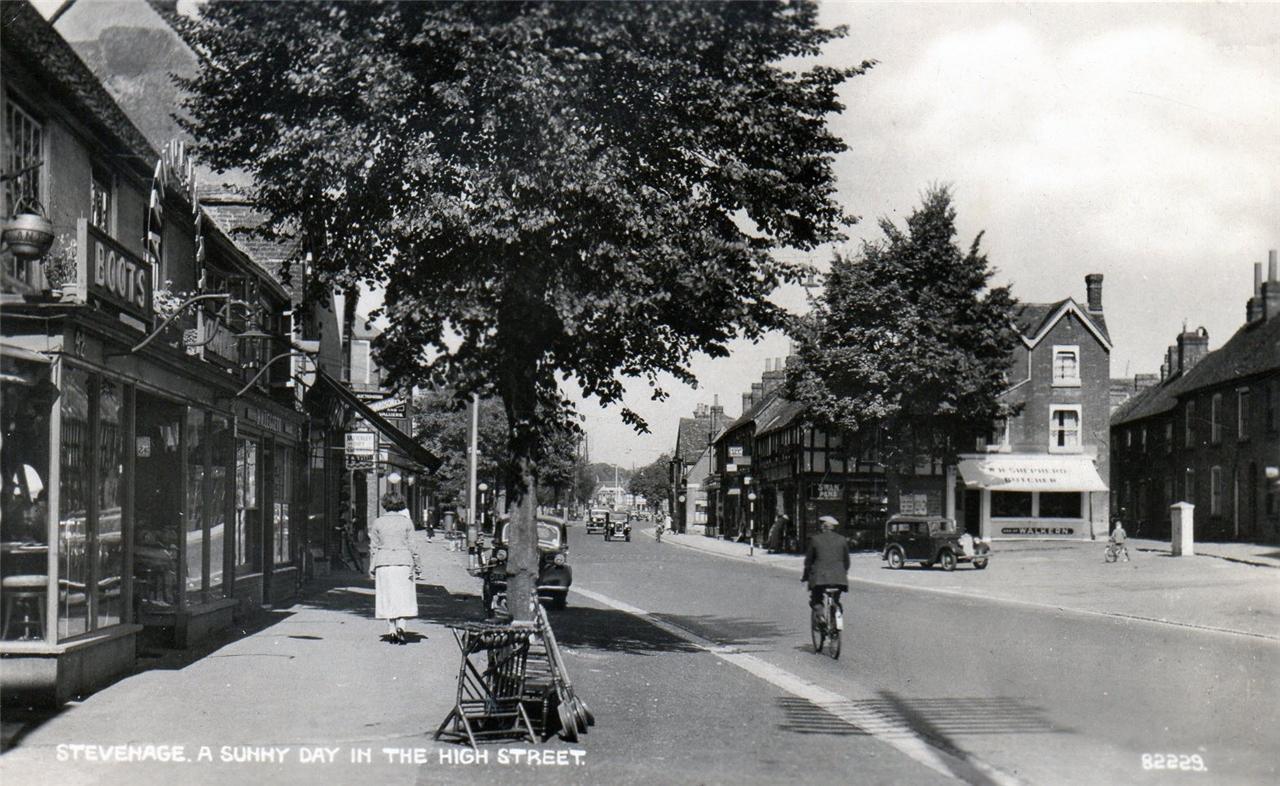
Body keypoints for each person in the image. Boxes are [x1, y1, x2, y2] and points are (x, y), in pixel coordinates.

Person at [368, 491, 421, 644]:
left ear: (385, 504)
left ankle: (391, 629)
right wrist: (418, 565)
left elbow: (374, 547)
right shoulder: (406, 522)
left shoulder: (378, 522)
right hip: (403, 561)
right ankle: (402, 626)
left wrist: (372, 567)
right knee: (404, 595)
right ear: (400, 504)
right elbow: (413, 546)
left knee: (387, 595)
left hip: (383, 562)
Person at [802, 515, 850, 611]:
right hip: (839, 579)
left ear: (822, 527)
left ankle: (820, 615)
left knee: (816, 599)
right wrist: (843, 572)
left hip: (820, 579)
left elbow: (808, 562)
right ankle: (836, 609)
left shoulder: (815, 539)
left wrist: (805, 576)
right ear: (833, 527)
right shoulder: (842, 539)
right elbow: (847, 562)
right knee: (836, 599)